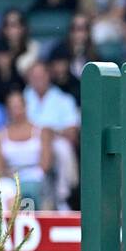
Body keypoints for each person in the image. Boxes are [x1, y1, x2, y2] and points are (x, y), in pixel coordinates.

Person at [21, 62, 79, 210]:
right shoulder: (22, 99)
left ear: (48, 76)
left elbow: (72, 132)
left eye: (41, 75)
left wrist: (49, 133)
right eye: (34, 76)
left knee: (63, 149)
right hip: (30, 141)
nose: (38, 79)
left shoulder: (63, 99)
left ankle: (62, 198)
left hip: (56, 141)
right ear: (29, 78)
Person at [0, 89, 52, 208]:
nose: (16, 111)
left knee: (29, 190)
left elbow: (46, 163)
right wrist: (11, 178)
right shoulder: (0, 135)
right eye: (12, 107)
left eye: (18, 106)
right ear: (8, 110)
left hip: (36, 176)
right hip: (10, 177)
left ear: (25, 107)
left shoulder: (40, 131)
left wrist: (29, 177)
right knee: (1, 191)